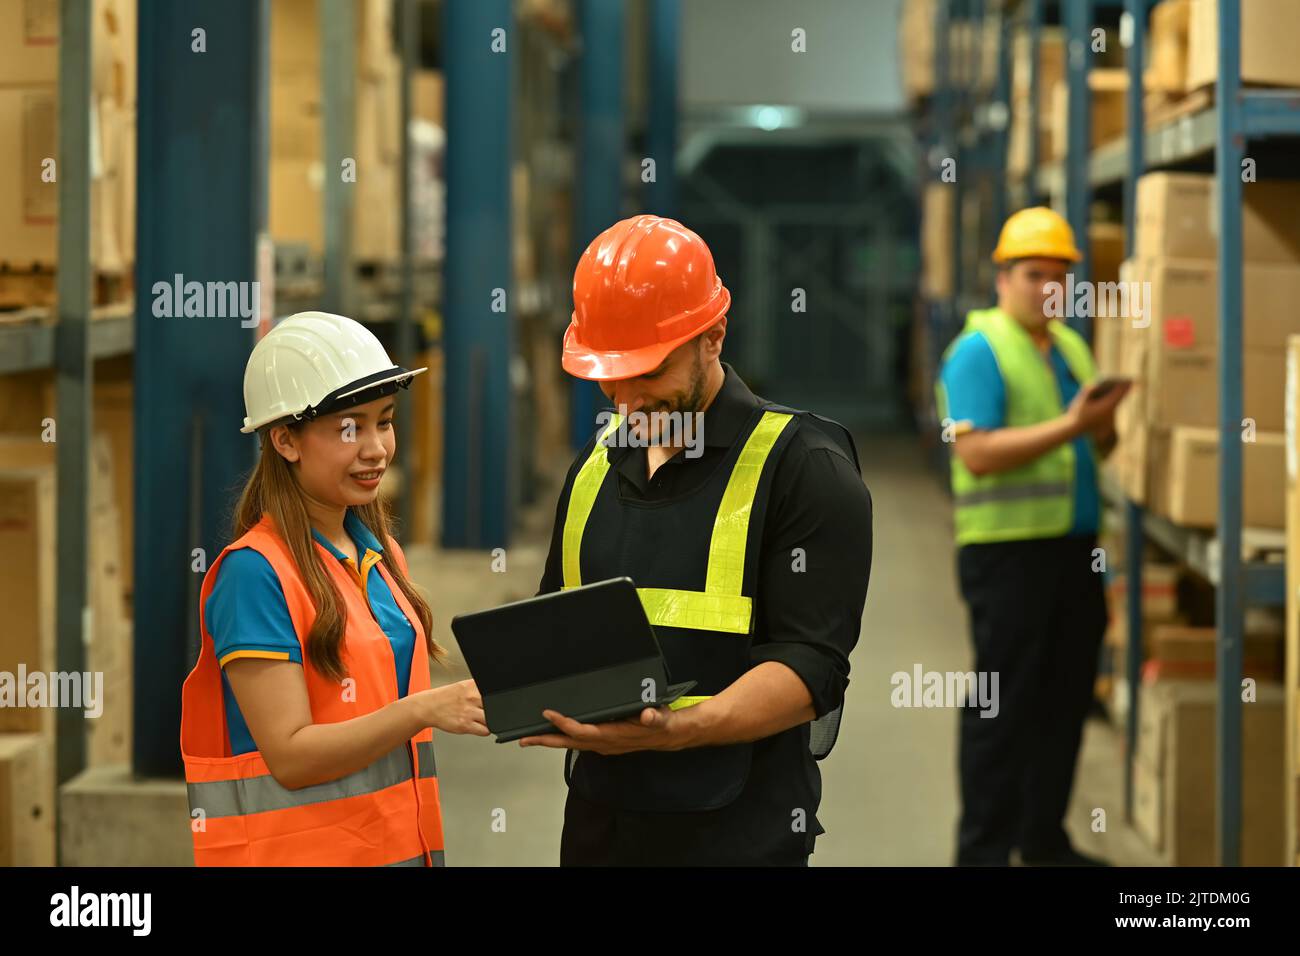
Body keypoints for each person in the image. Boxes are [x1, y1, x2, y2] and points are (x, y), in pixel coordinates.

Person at [524, 214, 873, 866]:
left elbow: (810, 666)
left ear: (712, 337)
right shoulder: (596, 466)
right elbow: (560, 622)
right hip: (600, 825)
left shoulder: (806, 467)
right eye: (609, 376)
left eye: (647, 373)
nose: (625, 400)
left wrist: (675, 732)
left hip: (738, 833)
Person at [180, 311, 489, 866]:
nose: (376, 448)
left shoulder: (381, 555)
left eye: (385, 421)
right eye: (351, 427)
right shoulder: (254, 574)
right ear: (285, 440)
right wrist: (423, 710)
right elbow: (292, 756)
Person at [936, 207, 1131, 867]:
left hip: (1074, 554)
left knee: (1065, 702)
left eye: (1059, 277)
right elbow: (978, 454)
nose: (1047, 289)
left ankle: (1043, 841)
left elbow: (1098, 444)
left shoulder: (1071, 347)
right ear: (1002, 277)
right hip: (1007, 556)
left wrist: (1102, 425)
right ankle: (983, 852)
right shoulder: (978, 349)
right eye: (1033, 275)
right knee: (1002, 708)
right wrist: (1076, 427)